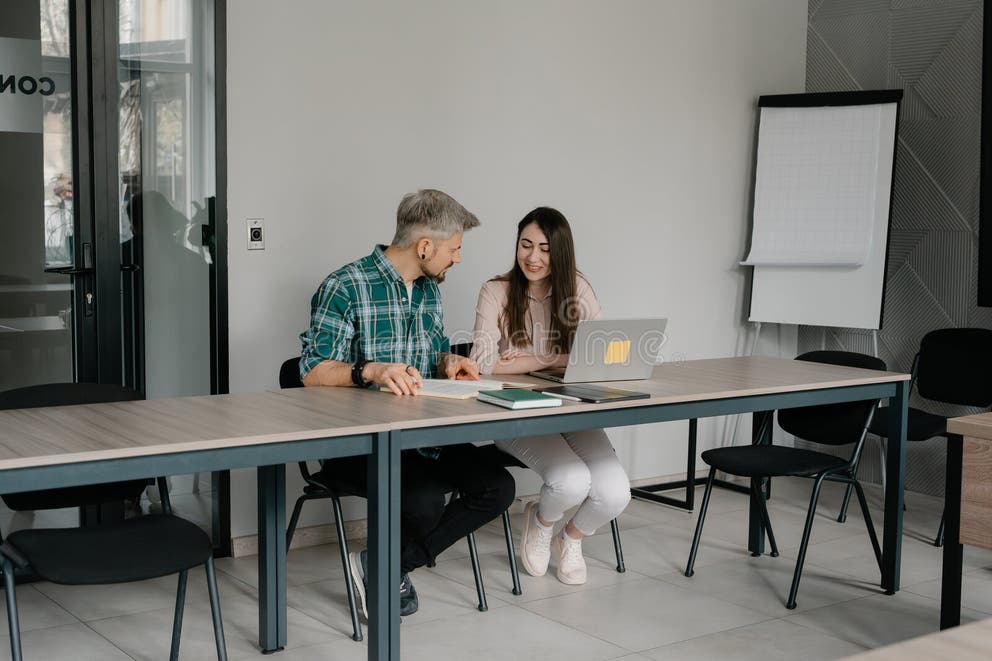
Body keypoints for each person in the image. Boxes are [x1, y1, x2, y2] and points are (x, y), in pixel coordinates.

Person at [299, 189, 515, 618]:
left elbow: (427, 358)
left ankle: (388, 566)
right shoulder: (344, 286)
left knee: (497, 487)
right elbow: (311, 371)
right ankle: (388, 569)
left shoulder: (430, 291)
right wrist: (370, 371)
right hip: (362, 444)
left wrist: (447, 359)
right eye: (454, 249)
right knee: (424, 499)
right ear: (424, 246)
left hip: (423, 435)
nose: (457, 259)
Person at [470, 207, 631, 585]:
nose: (533, 257)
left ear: (560, 252)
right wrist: (558, 359)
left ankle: (569, 537)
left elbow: (605, 353)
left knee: (615, 493)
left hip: (571, 409)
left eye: (544, 248)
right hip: (516, 413)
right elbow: (483, 363)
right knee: (572, 481)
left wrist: (533, 358)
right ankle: (541, 523)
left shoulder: (576, 287)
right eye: (526, 245)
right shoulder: (496, 291)